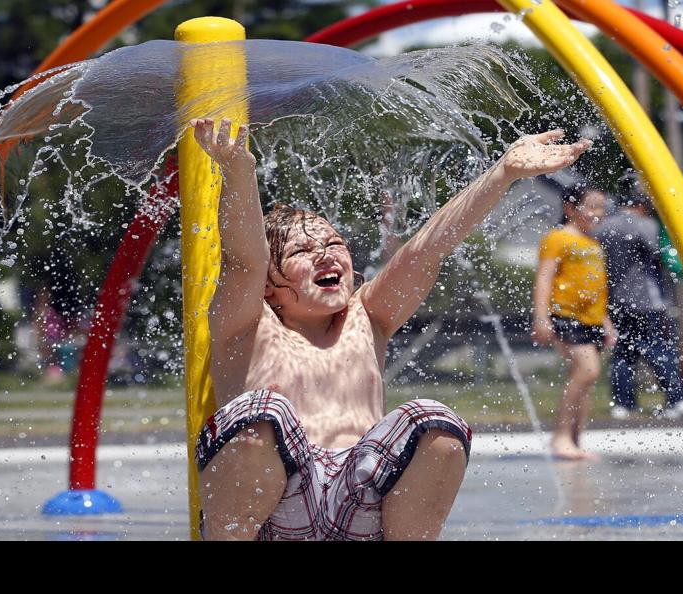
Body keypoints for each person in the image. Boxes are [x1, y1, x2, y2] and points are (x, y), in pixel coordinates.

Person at [191, 119, 591, 540]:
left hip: (359, 505)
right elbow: (244, 260)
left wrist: (503, 172)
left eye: (332, 245)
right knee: (261, 413)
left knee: (436, 423)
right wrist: (238, 171)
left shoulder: (368, 315)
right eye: (302, 252)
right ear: (270, 285)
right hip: (273, 513)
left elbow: (429, 247)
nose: (325, 258)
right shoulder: (248, 328)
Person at [596, 192, 683, 421]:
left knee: (624, 353)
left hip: (616, 300)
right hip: (647, 300)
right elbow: (663, 255)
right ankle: (677, 400)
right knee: (661, 349)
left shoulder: (602, 228)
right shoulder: (644, 224)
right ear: (641, 206)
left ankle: (623, 404)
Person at [532, 185, 614, 460]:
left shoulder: (593, 243)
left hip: (591, 319)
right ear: (570, 208)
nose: (597, 213)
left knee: (586, 379)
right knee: (587, 371)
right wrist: (542, 317)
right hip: (564, 315)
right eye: (591, 206)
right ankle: (561, 437)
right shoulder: (557, 238)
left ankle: (576, 441)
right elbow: (544, 277)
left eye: (601, 207)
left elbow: (597, 287)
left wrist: (606, 322)